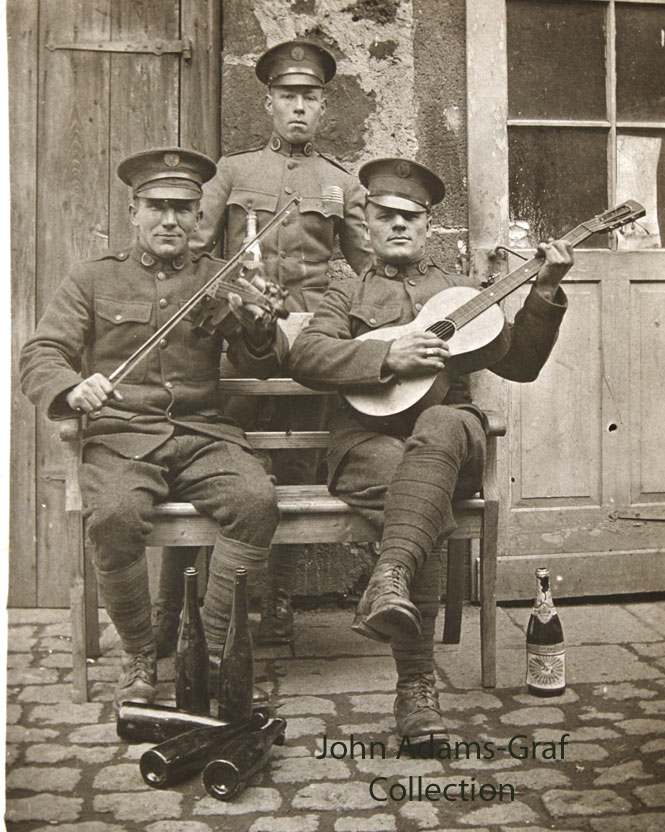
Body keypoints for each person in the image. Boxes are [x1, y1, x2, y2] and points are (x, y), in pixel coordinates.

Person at [288, 157, 573, 748]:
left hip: (450, 436)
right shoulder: (346, 289)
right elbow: (307, 356)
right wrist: (384, 359)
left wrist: (543, 290)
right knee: (415, 489)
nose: (397, 226)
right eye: (385, 215)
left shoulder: (461, 292)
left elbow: (519, 364)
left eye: (410, 218)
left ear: (427, 227)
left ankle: (390, 576)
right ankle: (417, 690)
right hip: (367, 445)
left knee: (442, 421)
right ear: (366, 224)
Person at [20, 148, 287, 707]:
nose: (170, 220)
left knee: (255, 500)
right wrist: (73, 388)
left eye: (183, 209)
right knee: (114, 514)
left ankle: (211, 650)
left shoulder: (224, 278)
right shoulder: (93, 279)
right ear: (134, 211)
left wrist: (259, 328)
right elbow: (42, 352)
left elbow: (259, 362)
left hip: (203, 435)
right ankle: (140, 654)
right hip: (122, 438)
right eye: (157, 207)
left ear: (197, 217)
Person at [155, 39, 372, 655]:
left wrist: (336, 307)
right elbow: (195, 251)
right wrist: (236, 296)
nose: (298, 107)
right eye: (287, 96)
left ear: (323, 107)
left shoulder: (341, 182)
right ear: (269, 103)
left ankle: (276, 598)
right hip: (239, 344)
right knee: (221, 468)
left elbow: (362, 264)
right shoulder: (233, 171)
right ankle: (186, 607)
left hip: (308, 347)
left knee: (299, 468)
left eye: (309, 96)